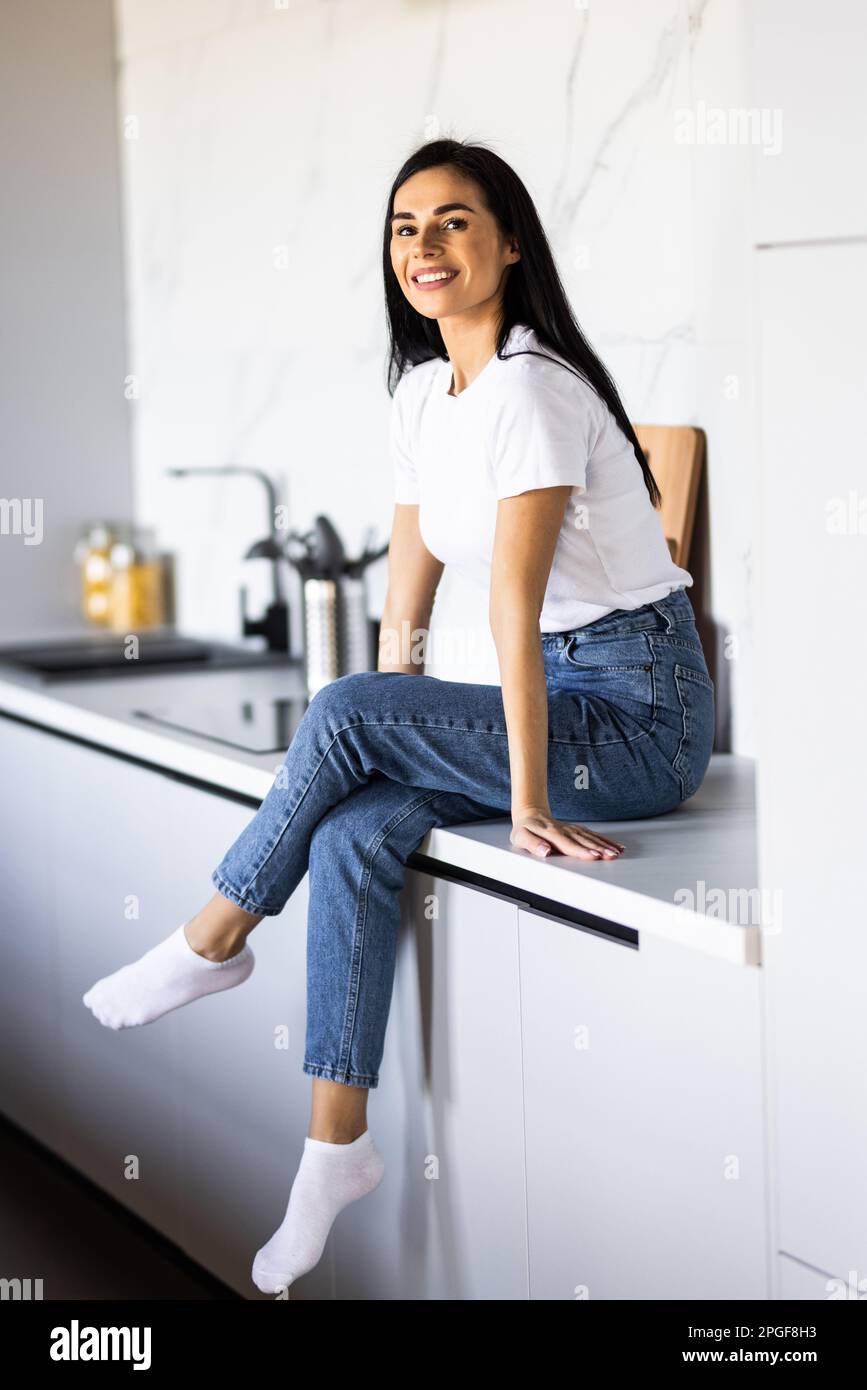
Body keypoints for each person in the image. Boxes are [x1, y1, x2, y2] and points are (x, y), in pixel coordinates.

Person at [82, 137, 715, 1296]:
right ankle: (337, 1149)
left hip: (641, 715)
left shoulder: (531, 386)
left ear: (510, 242)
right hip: (569, 698)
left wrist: (523, 802)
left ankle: (212, 938)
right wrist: (364, 732)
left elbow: (515, 609)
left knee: (344, 717)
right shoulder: (428, 393)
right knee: (352, 829)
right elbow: (407, 605)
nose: (424, 246)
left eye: (454, 222)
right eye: (404, 227)